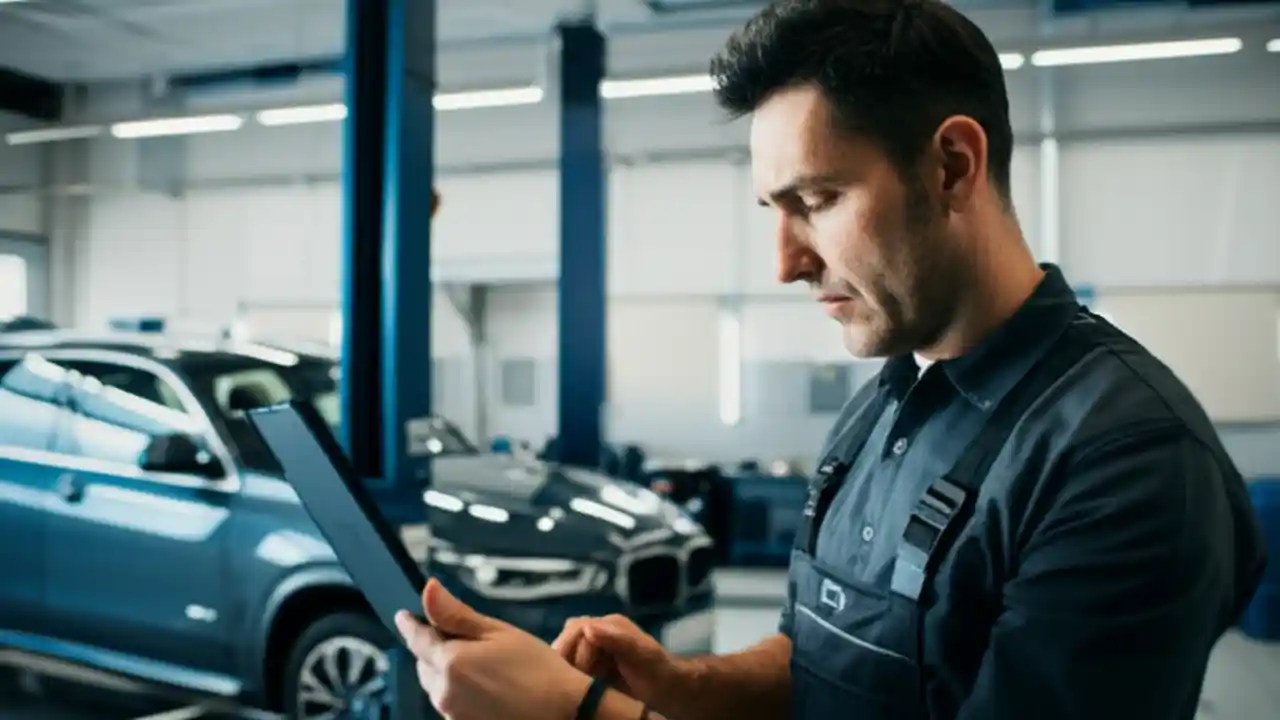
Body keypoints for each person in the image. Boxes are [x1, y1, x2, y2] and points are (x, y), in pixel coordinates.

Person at [394, 0, 1268, 718]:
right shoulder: (884, 406)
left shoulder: (1127, 463)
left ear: (953, 167)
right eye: (774, 209)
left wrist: (577, 715)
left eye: (816, 200)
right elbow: (827, 667)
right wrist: (682, 684)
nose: (785, 262)